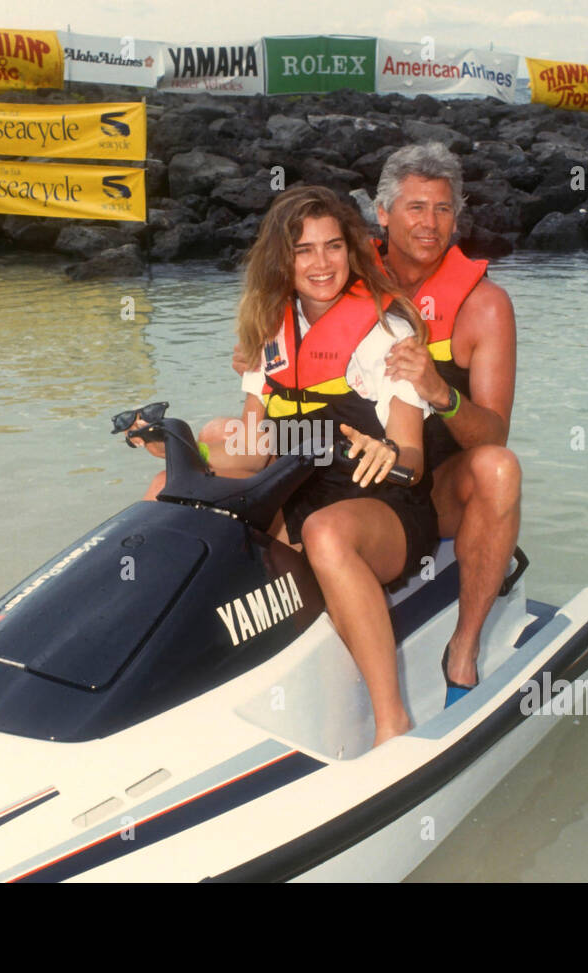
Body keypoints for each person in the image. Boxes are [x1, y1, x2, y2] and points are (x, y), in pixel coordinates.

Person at [135, 185, 439, 747]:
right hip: (298, 493)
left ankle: (392, 722)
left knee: (325, 532)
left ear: (351, 250)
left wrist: (390, 456)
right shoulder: (268, 328)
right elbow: (256, 444)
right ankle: (154, 669)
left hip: (384, 510)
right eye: (303, 250)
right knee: (166, 493)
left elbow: (415, 460)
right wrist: (175, 448)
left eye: (332, 247)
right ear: (282, 258)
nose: (320, 263)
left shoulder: (386, 334)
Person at [233, 143, 522, 707]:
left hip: (425, 478)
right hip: (333, 468)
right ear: (382, 215)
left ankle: (463, 648)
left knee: (500, 468)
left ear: (457, 219)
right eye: (415, 208)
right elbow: (279, 331)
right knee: (225, 472)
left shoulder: (484, 307)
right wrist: (257, 364)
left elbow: (494, 435)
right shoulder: (337, 269)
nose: (429, 223)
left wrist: (440, 392)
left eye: (442, 210)